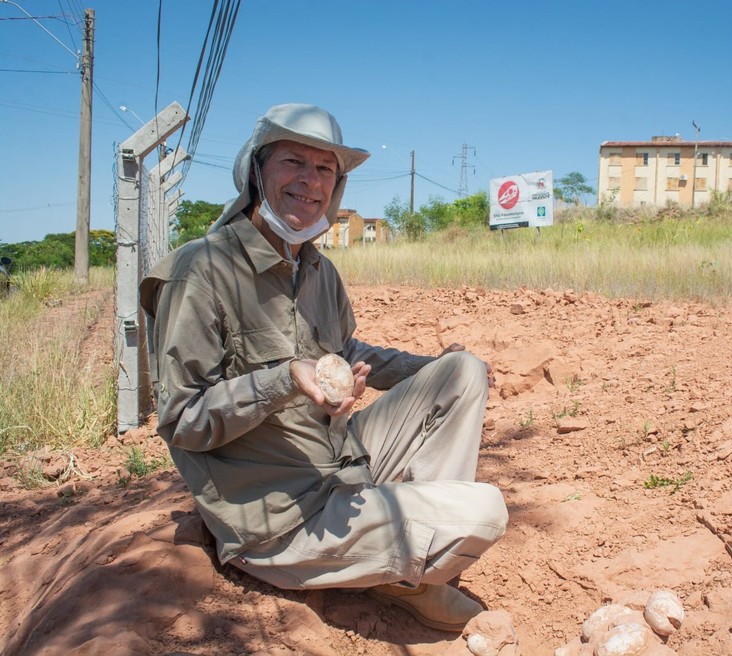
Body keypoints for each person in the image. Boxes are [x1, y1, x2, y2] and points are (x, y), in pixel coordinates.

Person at [139, 104, 508, 633]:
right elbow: (182, 420)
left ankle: (410, 568)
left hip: (339, 469)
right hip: (278, 519)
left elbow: (346, 348)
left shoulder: (317, 268)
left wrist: (433, 366)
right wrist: (283, 379)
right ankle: (405, 564)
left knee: (463, 371)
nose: (310, 181)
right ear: (255, 171)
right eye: (294, 162)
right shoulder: (199, 272)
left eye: (325, 169)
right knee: (484, 513)